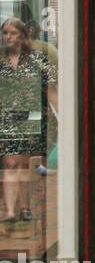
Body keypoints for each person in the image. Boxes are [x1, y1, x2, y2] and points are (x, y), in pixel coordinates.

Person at [0, 17, 57, 224]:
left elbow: (50, 90)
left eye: (13, 33)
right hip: (7, 117)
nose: (8, 37)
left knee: (26, 164)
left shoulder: (38, 60)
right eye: (5, 32)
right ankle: (10, 211)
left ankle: (25, 207)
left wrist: (64, 116)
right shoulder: (0, 60)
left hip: (32, 116)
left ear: (23, 36)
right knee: (10, 162)